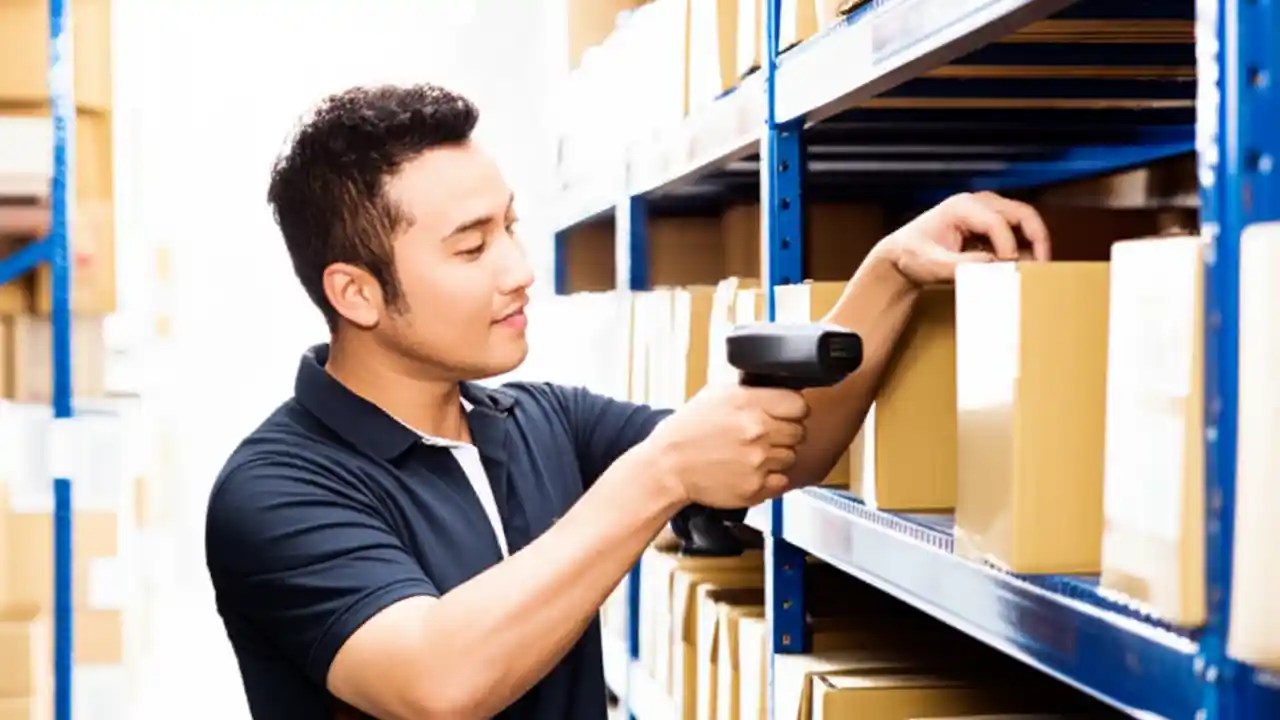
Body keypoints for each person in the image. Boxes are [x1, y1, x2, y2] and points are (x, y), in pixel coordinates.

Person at [204, 83, 1051, 720]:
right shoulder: (275, 489)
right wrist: (660, 474)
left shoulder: (537, 421)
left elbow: (779, 452)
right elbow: (436, 680)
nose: (519, 268)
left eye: (510, 225)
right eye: (472, 247)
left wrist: (890, 277)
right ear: (355, 293)